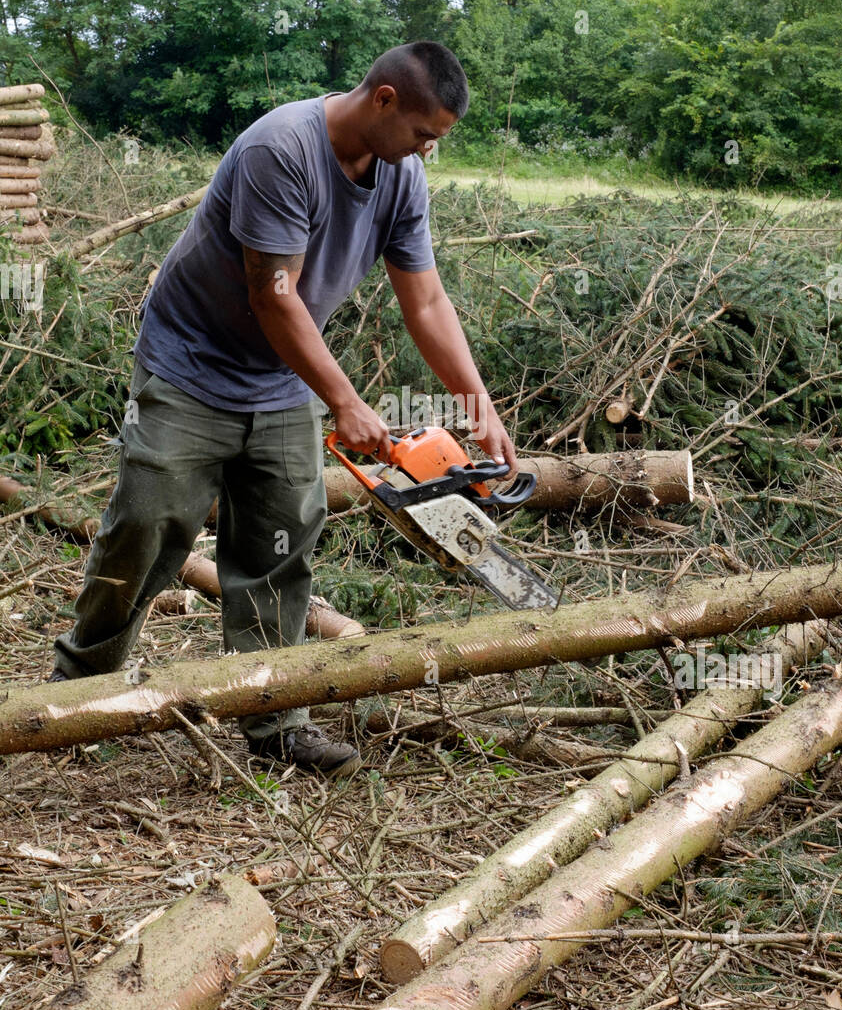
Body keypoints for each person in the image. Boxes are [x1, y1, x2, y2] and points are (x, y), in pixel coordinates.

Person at [51, 41, 519, 775]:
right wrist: (346, 401)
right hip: (191, 364)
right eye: (424, 133)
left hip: (282, 378)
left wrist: (477, 402)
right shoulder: (282, 149)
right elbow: (274, 297)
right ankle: (75, 695)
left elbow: (425, 299)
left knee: (280, 542)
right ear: (384, 100)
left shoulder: (402, 176)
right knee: (147, 524)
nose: (429, 150)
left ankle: (276, 722)